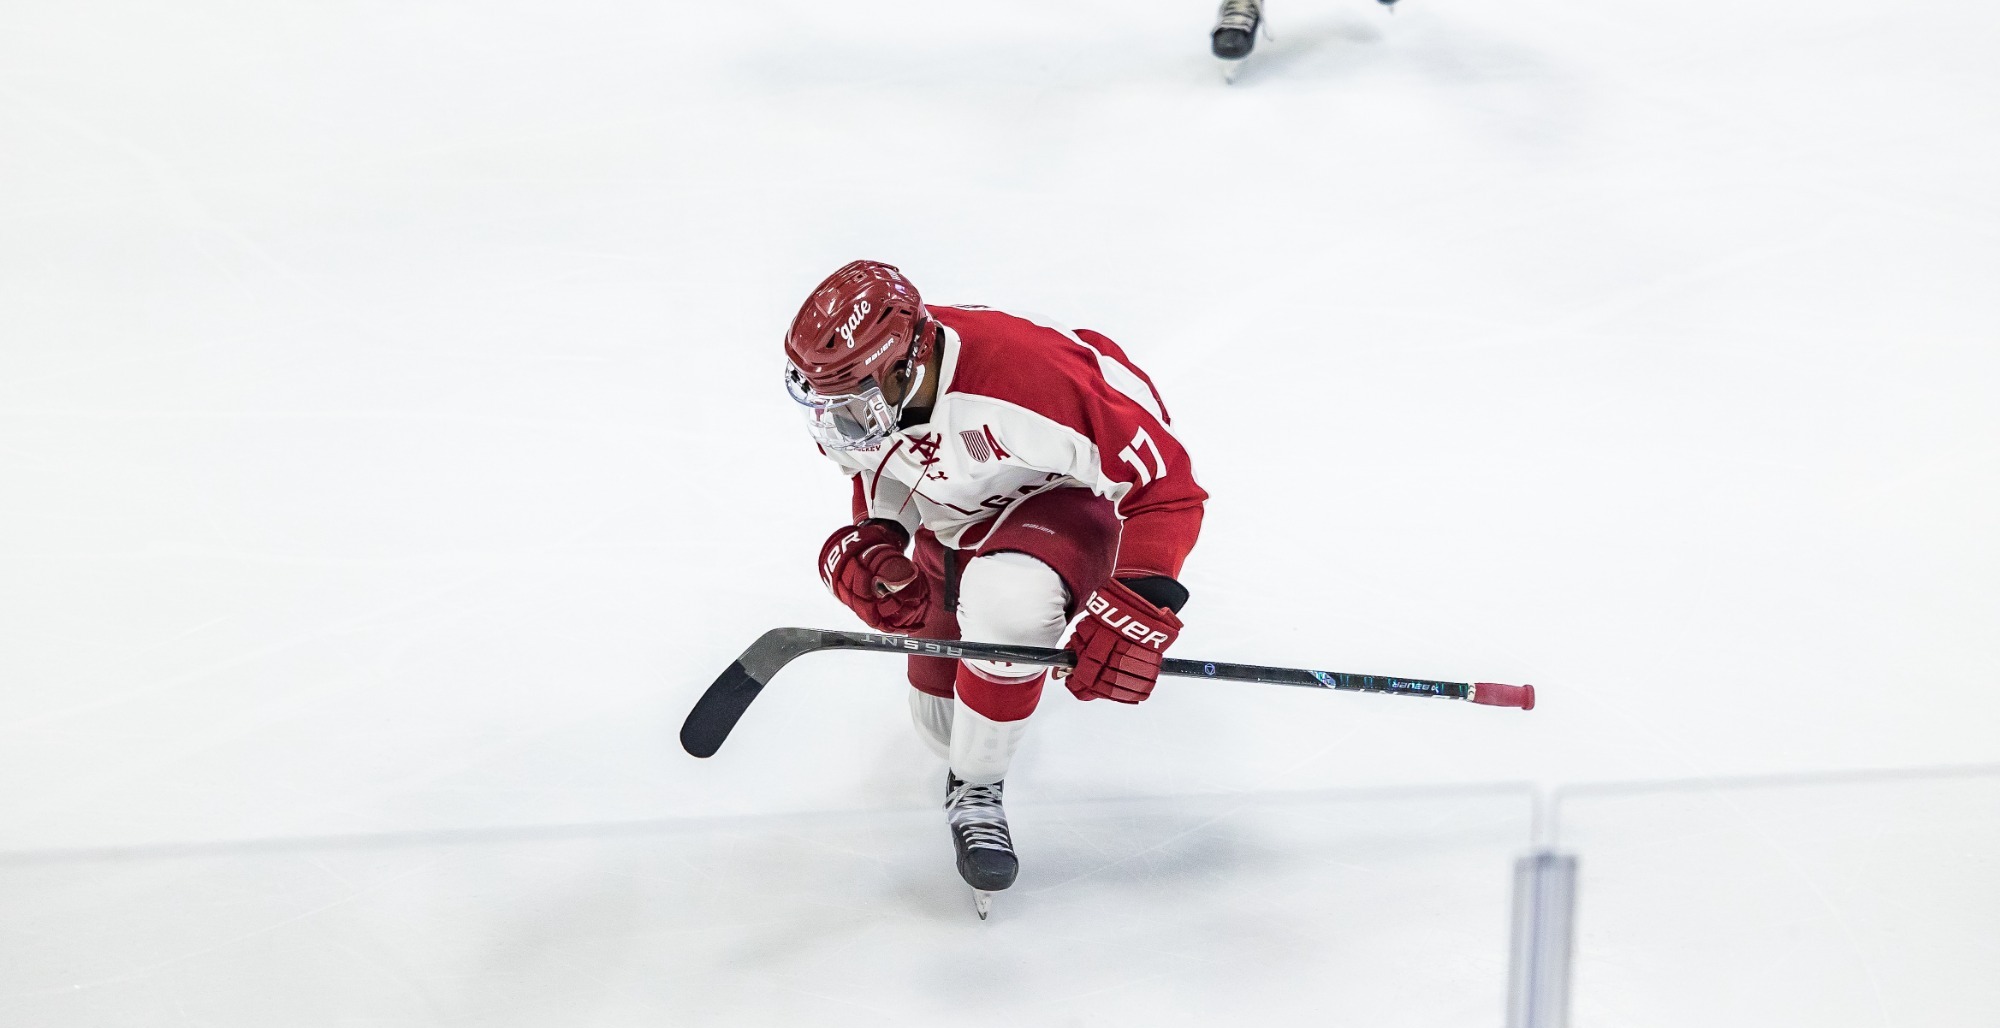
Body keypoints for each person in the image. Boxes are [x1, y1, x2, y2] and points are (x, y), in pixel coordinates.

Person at [784, 260, 1207, 916]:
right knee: (944, 729)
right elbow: (882, 464)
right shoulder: (861, 396)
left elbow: (1168, 485)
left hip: (1065, 502)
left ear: (907, 363)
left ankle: (978, 793)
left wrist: (1140, 599)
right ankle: (972, 759)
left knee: (1009, 606)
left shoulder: (1024, 379)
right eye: (827, 405)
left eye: (852, 401)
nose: (840, 423)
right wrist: (875, 537)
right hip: (959, 520)